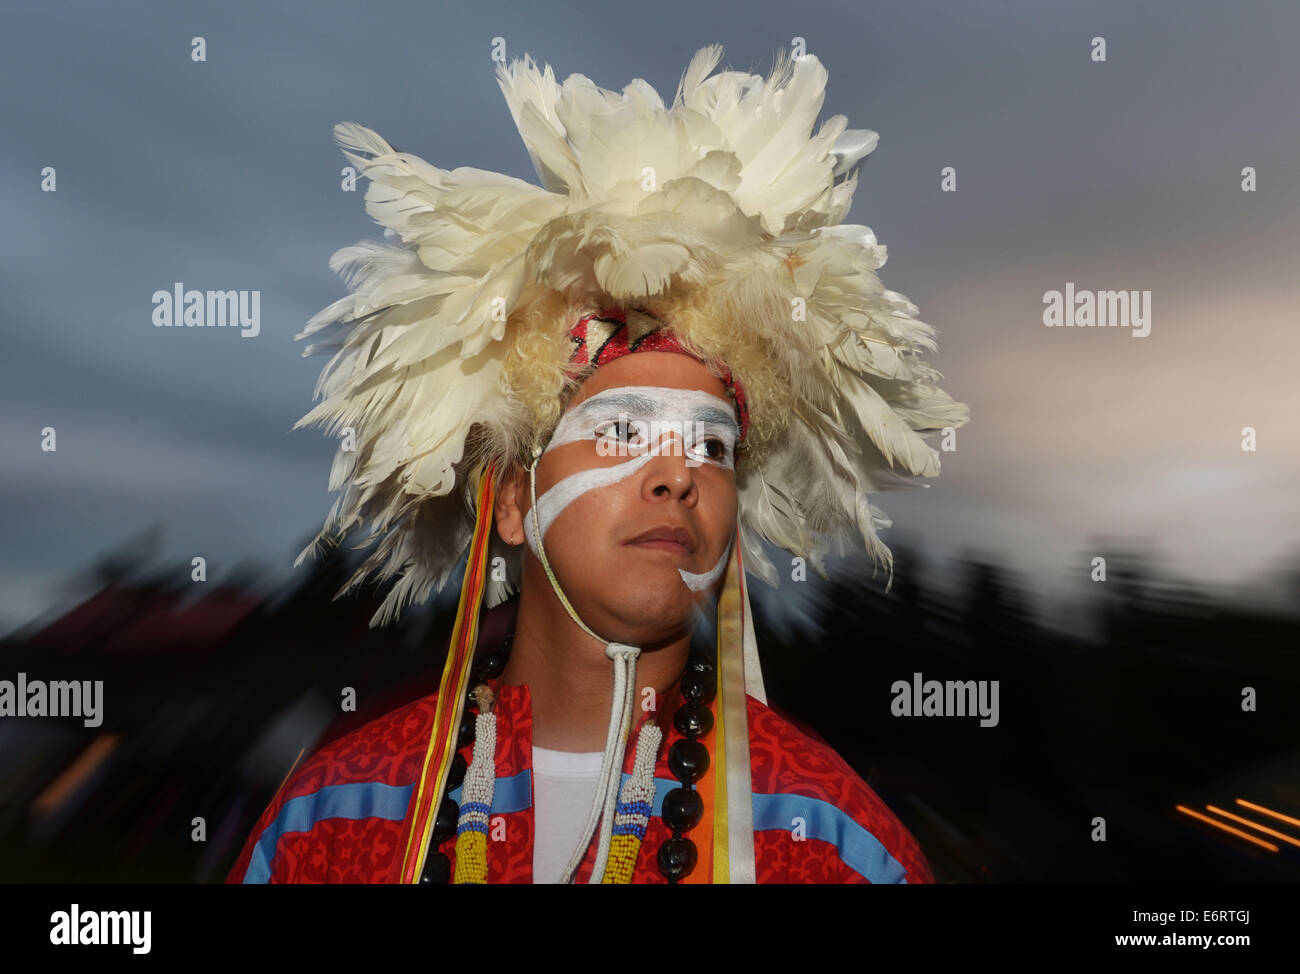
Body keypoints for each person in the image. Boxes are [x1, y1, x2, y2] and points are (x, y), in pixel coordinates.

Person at [227, 44, 967, 884]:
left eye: (713, 446)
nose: (679, 475)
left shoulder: (830, 840)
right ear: (512, 496)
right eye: (620, 431)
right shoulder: (335, 815)